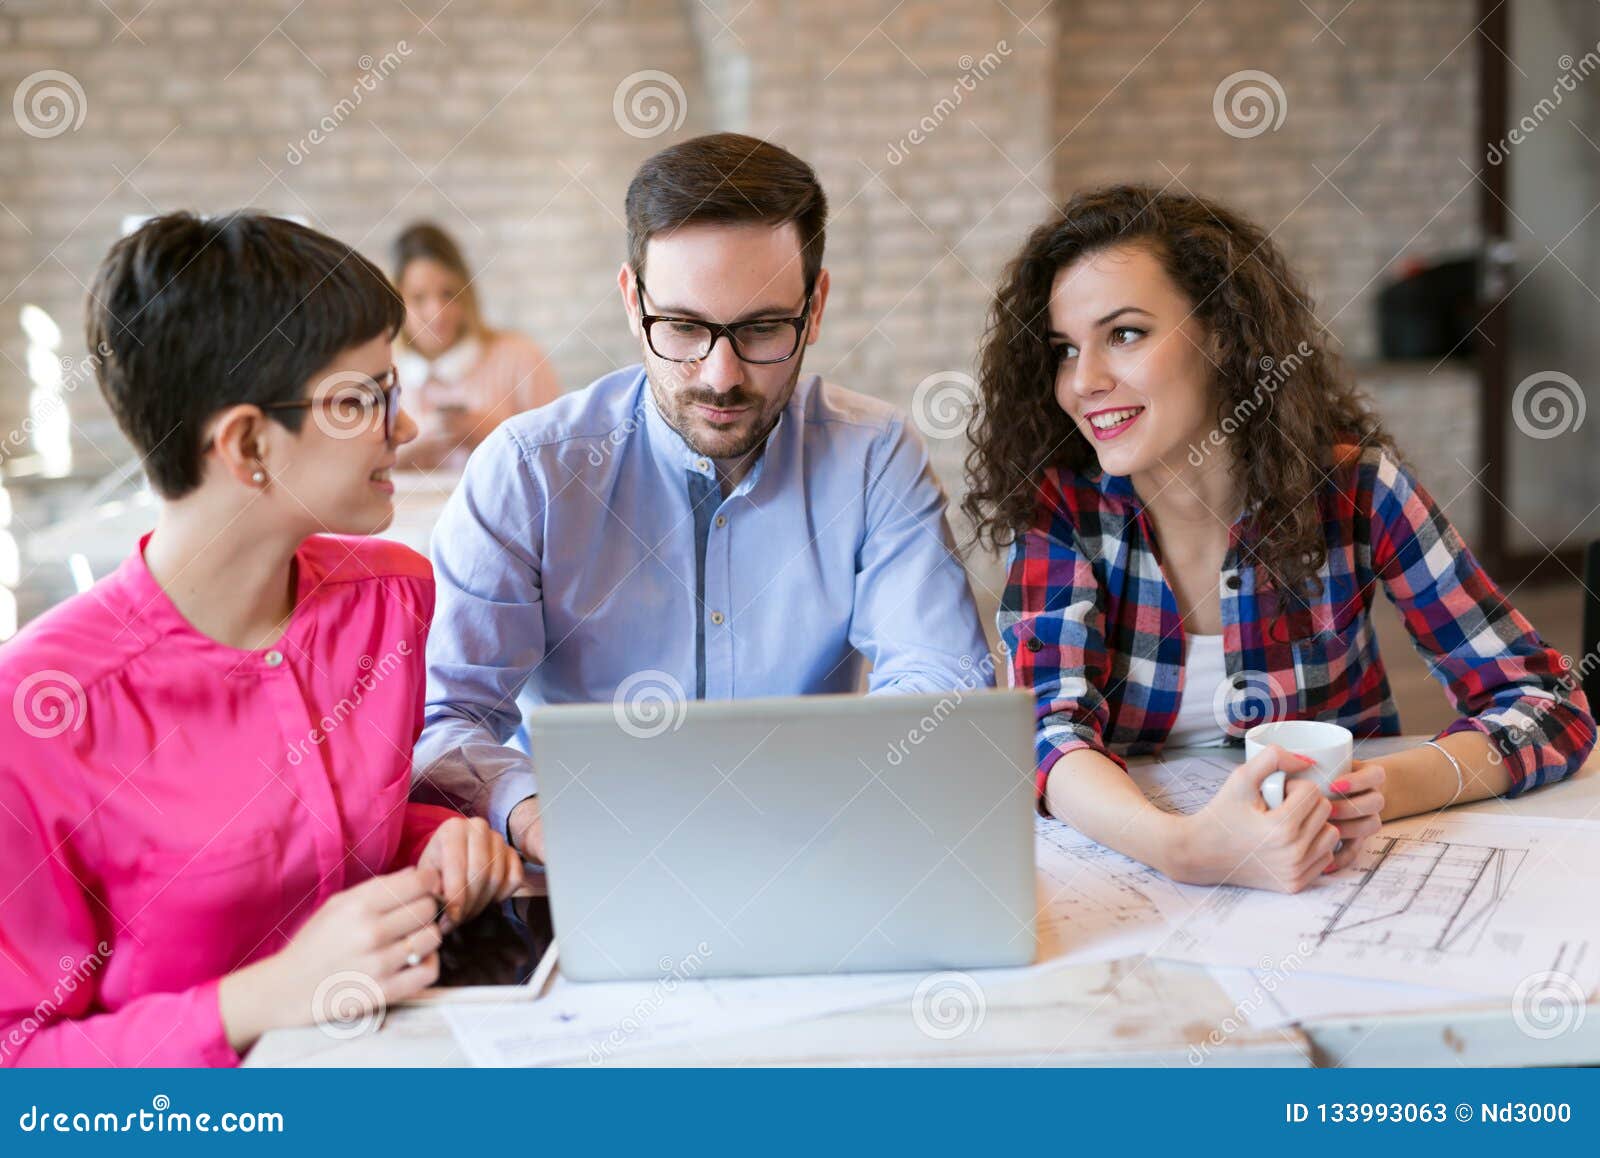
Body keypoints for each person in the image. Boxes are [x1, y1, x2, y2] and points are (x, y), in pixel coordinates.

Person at [963, 184, 1596, 894]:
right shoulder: (1063, 511)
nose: (1084, 381)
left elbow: (1550, 704)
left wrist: (1377, 787)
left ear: (1223, 334)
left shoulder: (1359, 492)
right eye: (1063, 350)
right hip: (1139, 877)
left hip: (1337, 876)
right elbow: (1047, 736)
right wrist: (1181, 848)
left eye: (1126, 334)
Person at [0, 212, 523, 1067]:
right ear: (247, 442)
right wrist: (262, 997)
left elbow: (334, 847)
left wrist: (440, 837)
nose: (403, 427)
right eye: (361, 399)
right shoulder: (36, 715)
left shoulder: (390, 601)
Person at [415, 133, 991, 862]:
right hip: (584, 855)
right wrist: (531, 816)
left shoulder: (874, 457)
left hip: (811, 843)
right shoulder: (528, 472)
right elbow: (446, 717)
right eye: (683, 327)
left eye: (760, 329)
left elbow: (942, 687)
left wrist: (846, 794)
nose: (721, 376)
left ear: (813, 310)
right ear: (633, 301)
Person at [391, 222, 560, 472]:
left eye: (448, 293)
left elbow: (559, 456)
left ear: (466, 294)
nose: (437, 313)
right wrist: (411, 446)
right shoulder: (381, 369)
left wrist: (492, 433)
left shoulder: (519, 356)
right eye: (418, 298)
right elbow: (356, 475)